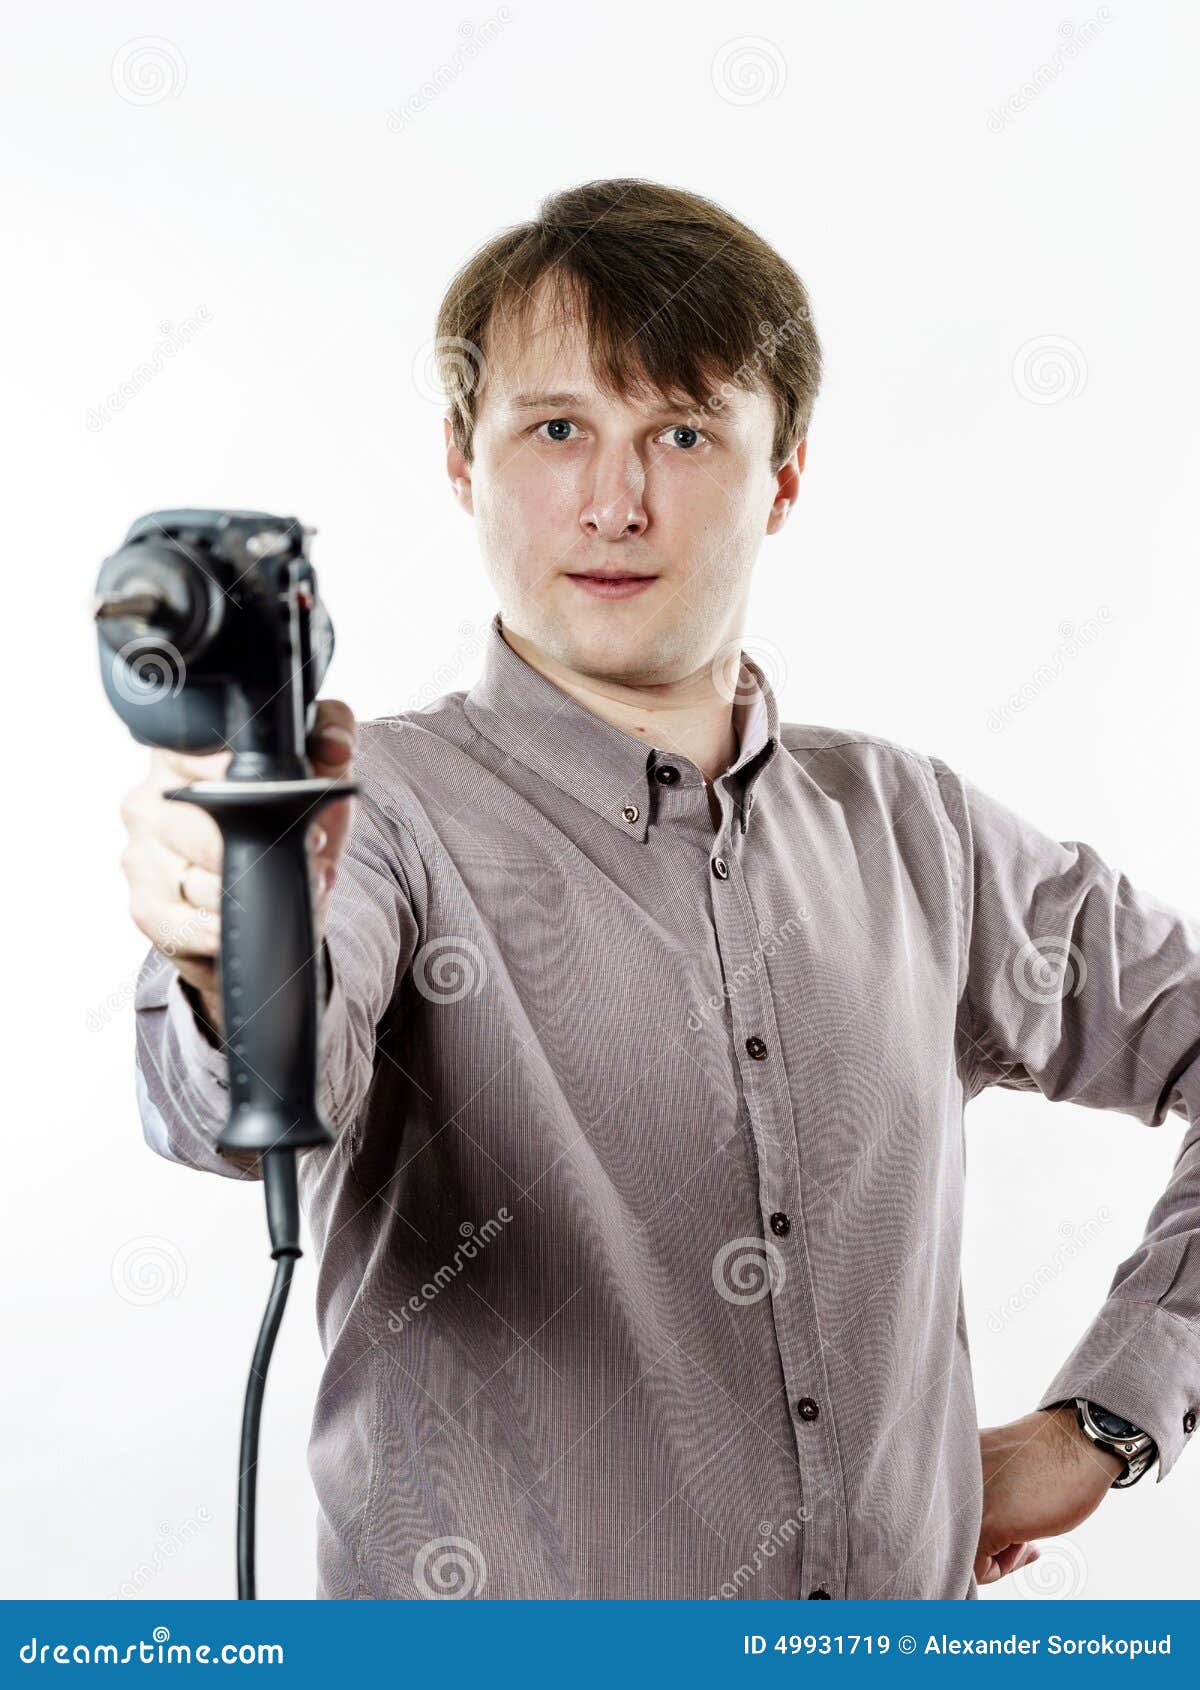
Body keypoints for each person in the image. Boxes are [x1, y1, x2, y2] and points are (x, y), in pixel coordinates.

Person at [119, 178, 1200, 1601]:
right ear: (460, 459)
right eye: (557, 428)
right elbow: (244, 1100)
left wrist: (1113, 1414)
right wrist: (226, 944)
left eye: (682, 432)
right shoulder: (367, 816)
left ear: (786, 473)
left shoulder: (921, 831)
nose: (615, 501)